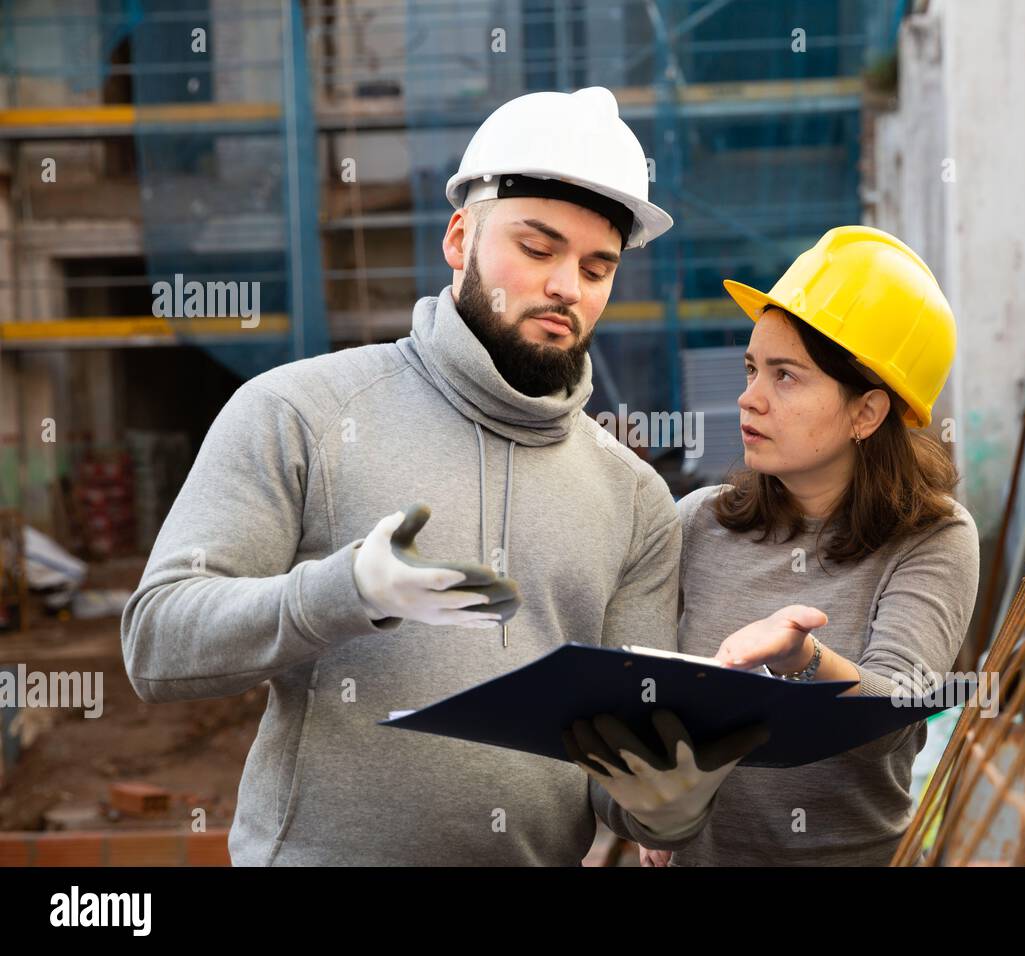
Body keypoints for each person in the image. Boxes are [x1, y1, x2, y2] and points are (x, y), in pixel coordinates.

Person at [121, 86, 745, 865]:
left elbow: (617, 786)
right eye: (538, 247)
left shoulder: (636, 500)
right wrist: (346, 592)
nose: (567, 288)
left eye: (597, 266)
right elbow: (156, 648)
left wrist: (667, 807)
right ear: (460, 239)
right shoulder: (302, 412)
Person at [636, 226, 981, 865]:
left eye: (786, 376)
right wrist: (650, 809)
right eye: (751, 369)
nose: (748, 397)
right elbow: (649, 691)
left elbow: (896, 713)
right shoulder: (697, 525)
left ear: (866, 413)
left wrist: (802, 658)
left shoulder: (933, 538)